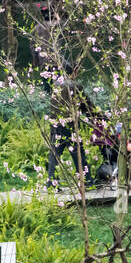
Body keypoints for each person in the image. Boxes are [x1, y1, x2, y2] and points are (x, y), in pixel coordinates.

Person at [46, 60, 96, 188]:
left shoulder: (56, 84)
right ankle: (87, 181)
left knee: (55, 154)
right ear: (73, 71)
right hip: (69, 124)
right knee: (79, 153)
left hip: (55, 124)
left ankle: (52, 183)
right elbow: (86, 104)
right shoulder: (75, 86)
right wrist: (96, 116)